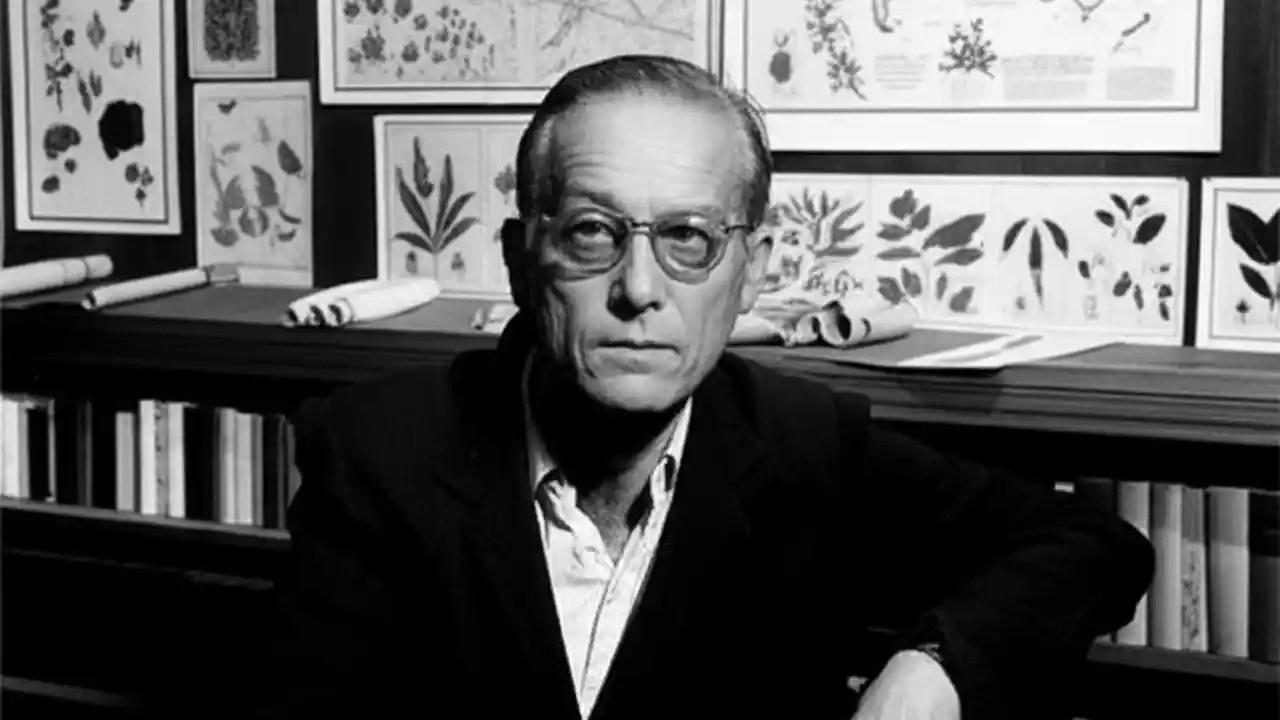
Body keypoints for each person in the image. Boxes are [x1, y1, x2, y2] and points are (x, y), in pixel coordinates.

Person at [256, 54, 1153, 720]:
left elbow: (1092, 544)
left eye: (689, 238)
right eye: (592, 232)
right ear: (521, 258)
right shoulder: (379, 449)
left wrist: (936, 665)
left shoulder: (808, 446)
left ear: (751, 273)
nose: (641, 288)